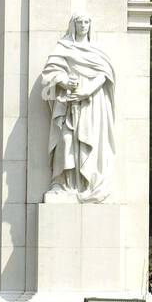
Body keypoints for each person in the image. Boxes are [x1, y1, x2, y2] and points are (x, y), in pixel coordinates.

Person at [42, 15, 115, 203]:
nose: (83, 25)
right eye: (79, 22)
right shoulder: (63, 47)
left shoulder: (97, 50)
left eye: (86, 22)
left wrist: (87, 91)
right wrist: (65, 82)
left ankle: (86, 183)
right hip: (68, 102)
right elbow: (50, 72)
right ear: (73, 25)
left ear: (91, 25)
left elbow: (105, 74)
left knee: (88, 142)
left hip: (91, 104)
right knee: (66, 141)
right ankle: (62, 183)